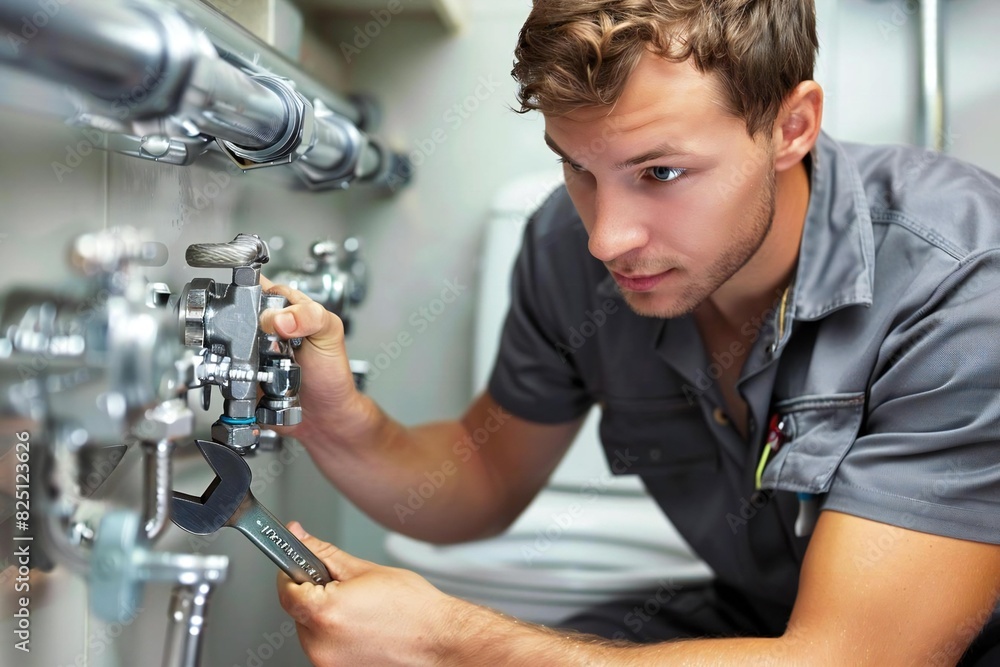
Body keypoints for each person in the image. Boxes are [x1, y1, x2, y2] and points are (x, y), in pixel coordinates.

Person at [260, 1, 1000, 664]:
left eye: (662, 173)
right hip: (764, 622)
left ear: (791, 126)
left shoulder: (962, 283)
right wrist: (335, 422)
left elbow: (852, 658)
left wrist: (448, 638)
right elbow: (483, 479)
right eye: (578, 168)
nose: (607, 239)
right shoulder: (565, 248)